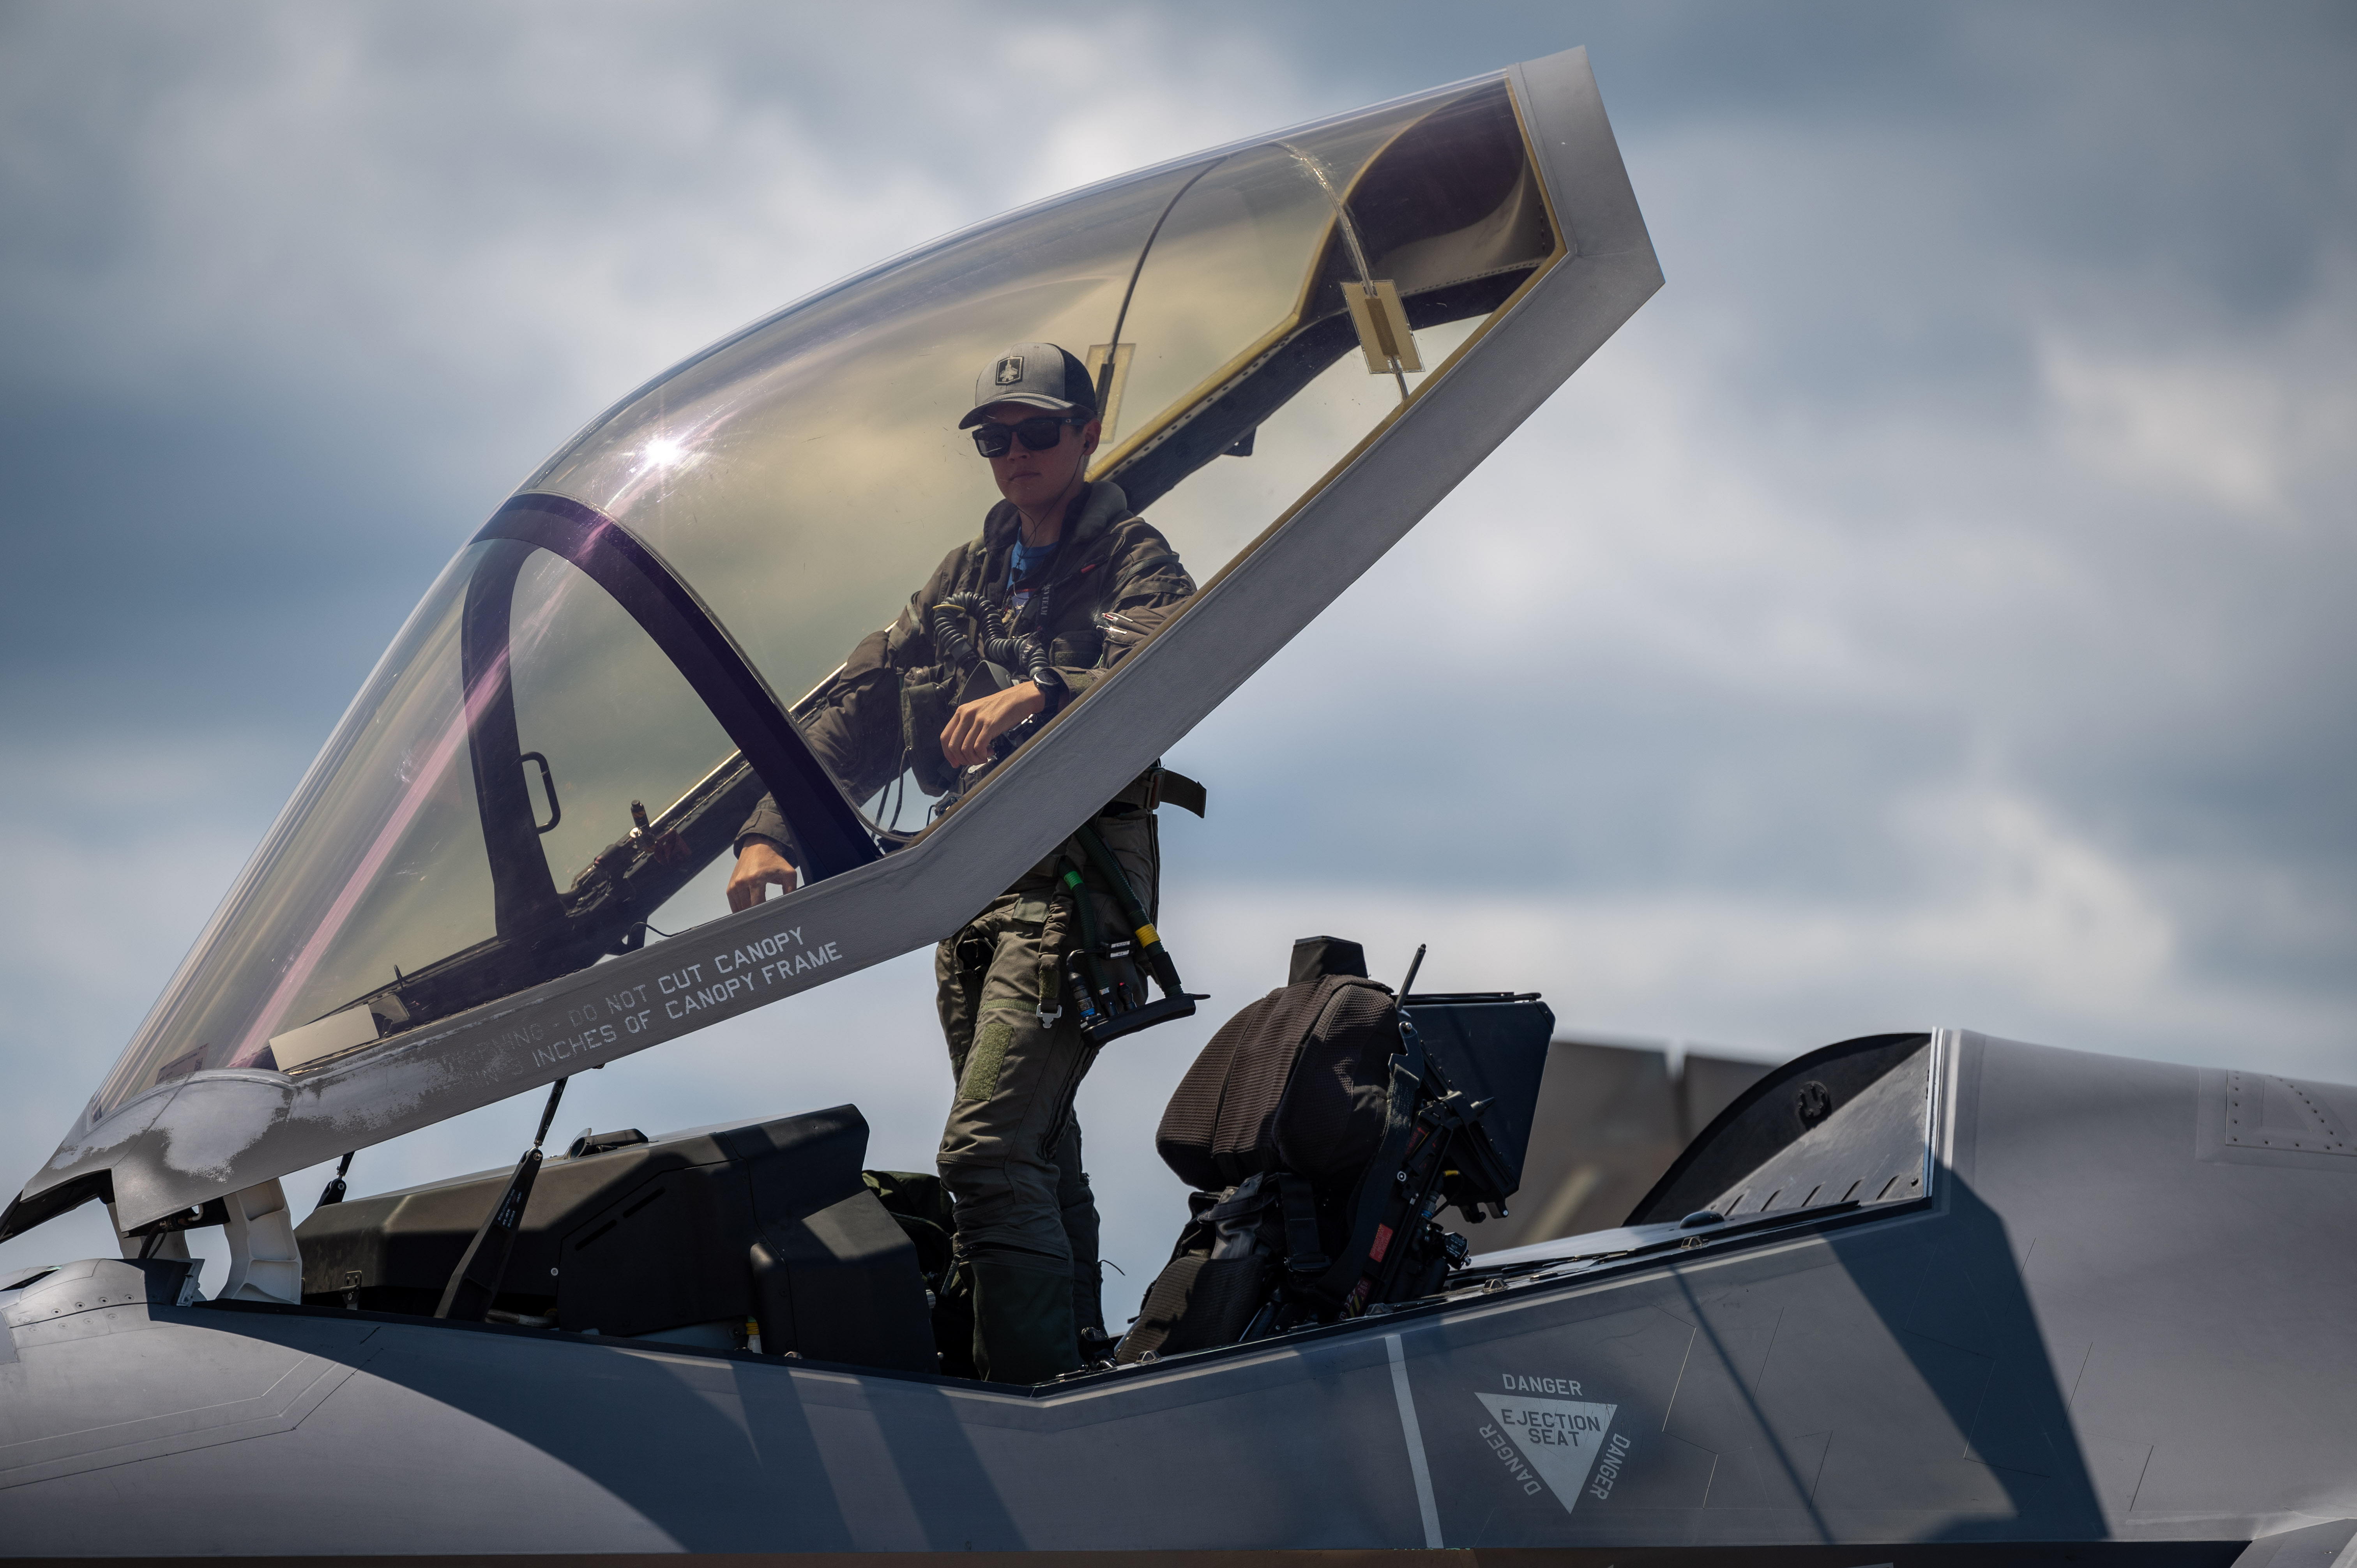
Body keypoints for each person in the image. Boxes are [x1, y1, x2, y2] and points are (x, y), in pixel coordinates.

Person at [725, 343, 1197, 1383]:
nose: (1016, 453)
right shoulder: (964, 578)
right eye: (996, 437)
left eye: (1037, 431)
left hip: (1077, 889)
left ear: (1086, 433)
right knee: (1036, 1147)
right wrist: (772, 831)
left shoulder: (1133, 557)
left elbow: (1177, 648)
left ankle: (1025, 1400)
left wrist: (1045, 691)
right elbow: (859, 711)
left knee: (983, 1154)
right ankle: (1079, 1365)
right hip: (971, 885)